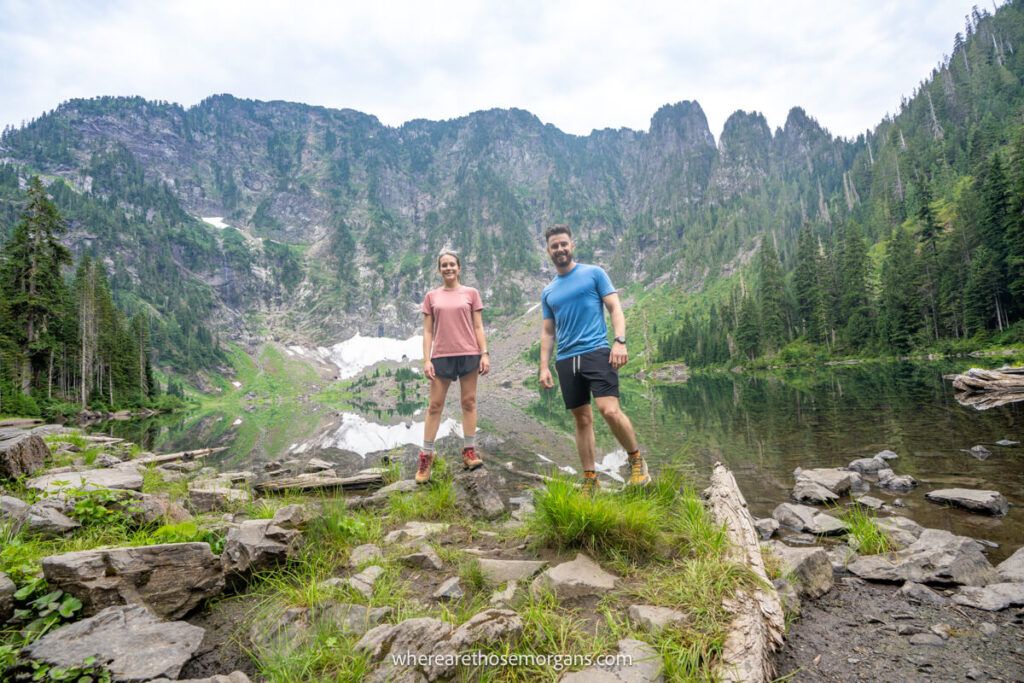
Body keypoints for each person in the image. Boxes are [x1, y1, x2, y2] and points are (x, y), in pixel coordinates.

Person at [538, 224, 650, 494]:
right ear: (548, 251)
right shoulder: (548, 291)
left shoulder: (594, 273)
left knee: (609, 410)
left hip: (597, 351)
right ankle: (590, 479)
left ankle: (636, 460)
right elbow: (548, 331)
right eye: (554, 246)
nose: (560, 249)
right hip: (566, 359)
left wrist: (619, 341)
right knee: (581, 419)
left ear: (572, 245)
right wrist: (543, 366)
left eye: (564, 244)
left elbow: (615, 307)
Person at [417, 249, 490, 483]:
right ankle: (426, 456)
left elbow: (478, 326)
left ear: (459, 268)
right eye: (444, 265)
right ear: (439, 270)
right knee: (435, 406)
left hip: (469, 353)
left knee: (468, 402)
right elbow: (428, 330)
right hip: (441, 356)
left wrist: (484, 353)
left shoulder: (471, 293)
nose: (448, 268)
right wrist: (427, 359)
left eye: (452, 264)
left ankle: (469, 451)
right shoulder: (432, 297)